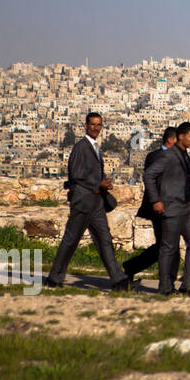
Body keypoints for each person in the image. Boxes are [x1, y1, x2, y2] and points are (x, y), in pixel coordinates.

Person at [45, 112, 130, 291]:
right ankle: (54, 277)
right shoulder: (81, 147)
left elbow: (90, 173)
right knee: (70, 240)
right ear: (86, 125)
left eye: (99, 125)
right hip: (83, 202)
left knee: (105, 240)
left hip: (96, 203)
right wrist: (98, 183)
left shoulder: (94, 147)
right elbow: (75, 174)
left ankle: (118, 280)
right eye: (93, 124)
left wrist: (103, 183)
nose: (96, 128)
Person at [142, 122, 190, 296]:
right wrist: (156, 200)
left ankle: (187, 286)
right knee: (169, 248)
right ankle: (166, 287)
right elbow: (149, 174)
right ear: (181, 136)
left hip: (187, 208)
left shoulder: (184, 155)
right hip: (171, 208)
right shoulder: (168, 156)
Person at [121, 127, 178, 289]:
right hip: (160, 208)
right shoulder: (157, 156)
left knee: (165, 245)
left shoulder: (165, 156)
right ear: (171, 140)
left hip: (168, 208)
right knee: (166, 246)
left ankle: (132, 267)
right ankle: (166, 284)